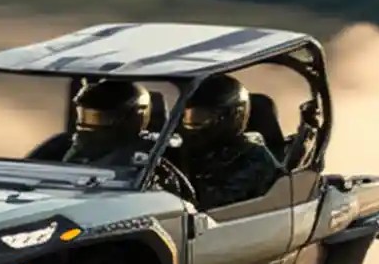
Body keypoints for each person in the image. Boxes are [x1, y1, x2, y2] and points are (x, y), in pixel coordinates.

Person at [172, 74, 280, 209]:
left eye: (201, 118)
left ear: (233, 116)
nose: (193, 126)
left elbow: (212, 205)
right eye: (190, 118)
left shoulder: (253, 158)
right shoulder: (194, 150)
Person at [61, 79, 151, 166]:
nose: (85, 125)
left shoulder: (144, 157)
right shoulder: (62, 144)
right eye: (84, 116)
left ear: (131, 119)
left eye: (100, 118)